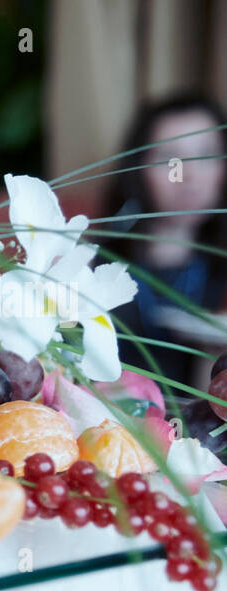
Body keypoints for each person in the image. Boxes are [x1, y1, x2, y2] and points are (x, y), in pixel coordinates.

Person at [108, 93, 227, 389]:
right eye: (169, 159)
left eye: (206, 155)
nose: (189, 176)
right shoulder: (93, 265)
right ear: (138, 169)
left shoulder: (222, 273)